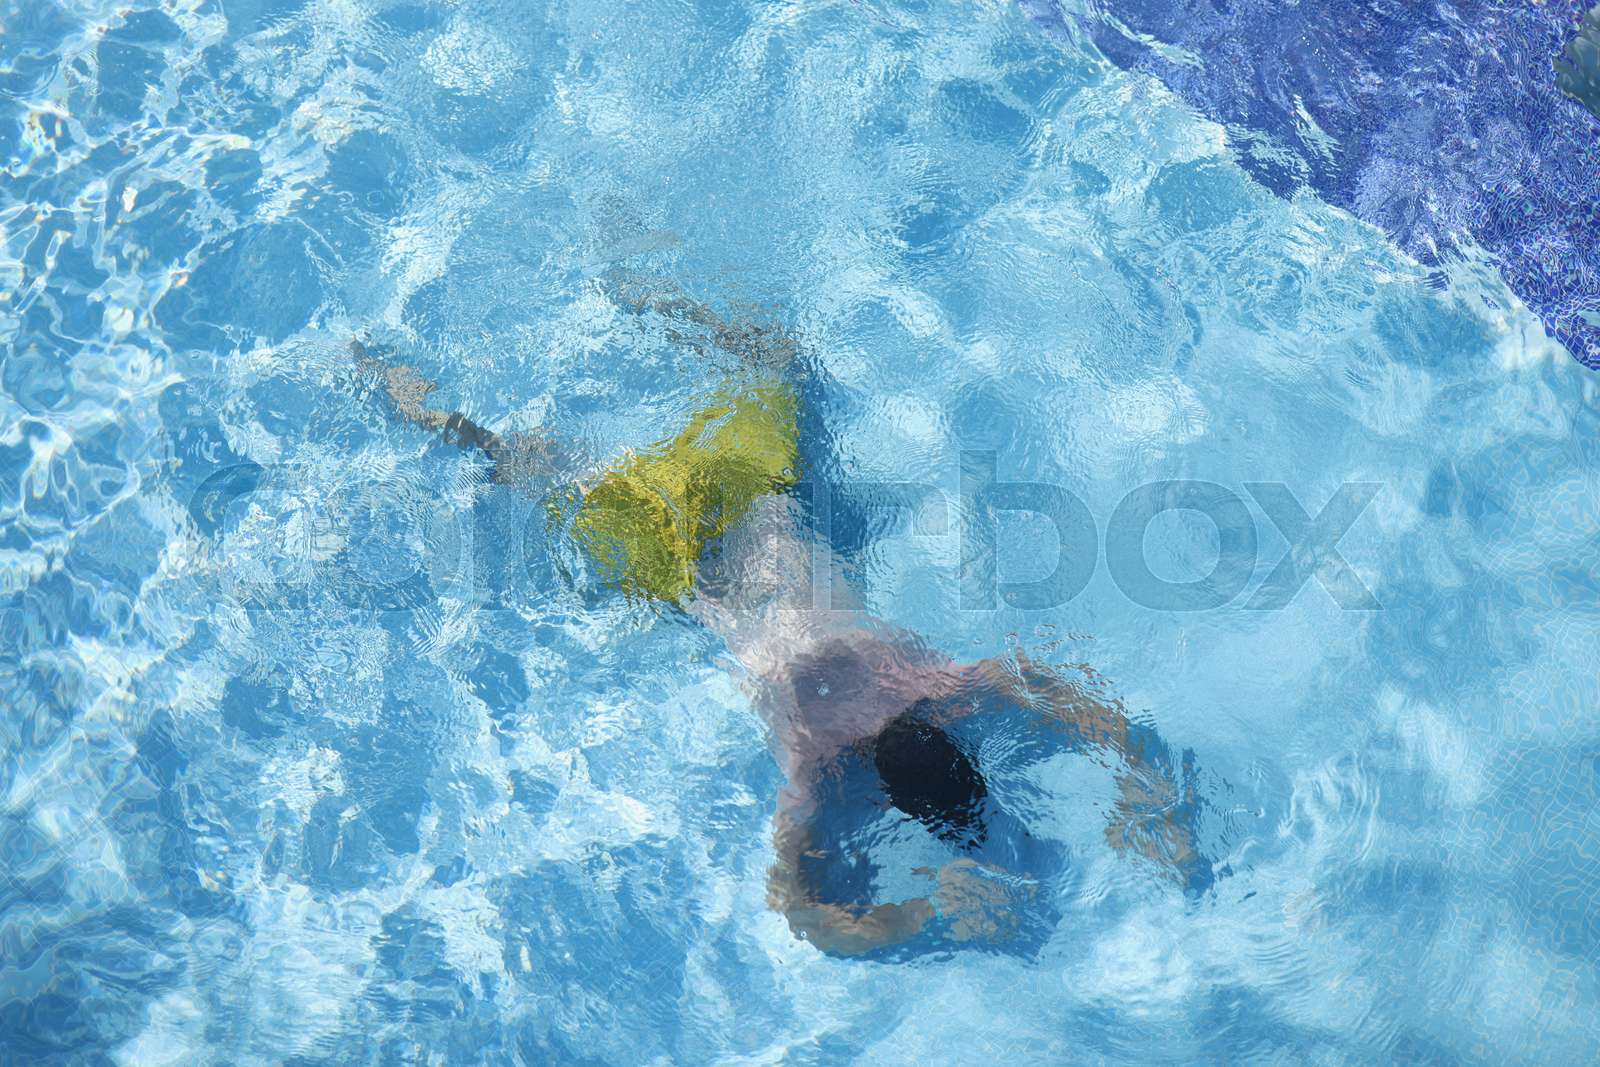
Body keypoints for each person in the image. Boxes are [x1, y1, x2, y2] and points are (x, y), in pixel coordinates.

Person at [353, 278, 1208, 956]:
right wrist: (929, 921)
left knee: (763, 363)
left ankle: (613, 298)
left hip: (727, 517)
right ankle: (418, 390)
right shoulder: (830, 758)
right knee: (519, 454)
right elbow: (802, 908)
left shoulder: (922, 699)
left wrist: (1148, 794)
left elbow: (1076, 703)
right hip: (698, 539)